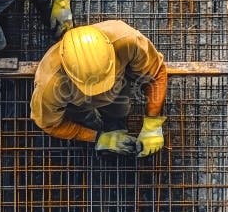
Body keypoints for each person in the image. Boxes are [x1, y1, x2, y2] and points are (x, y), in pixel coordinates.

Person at [30, 20, 168, 158]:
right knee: (85, 120)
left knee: (120, 109)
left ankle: (115, 121)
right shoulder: (49, 85)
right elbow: (50, 124)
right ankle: (96, 127)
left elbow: (155, 73)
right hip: (77, 105)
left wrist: (152, 124)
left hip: (118, 91)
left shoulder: (127, 41)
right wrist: (96, 137)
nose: (100, 93)